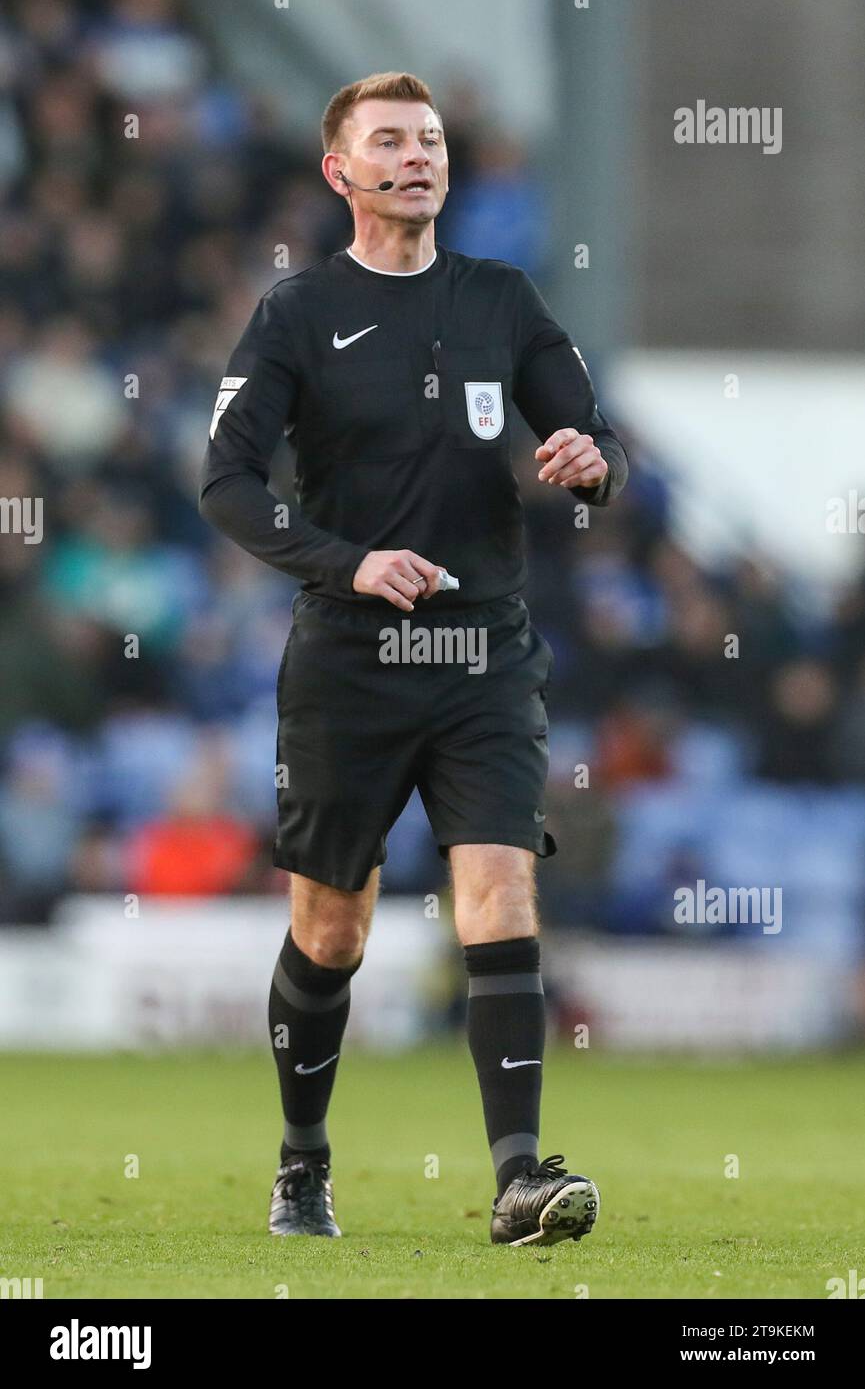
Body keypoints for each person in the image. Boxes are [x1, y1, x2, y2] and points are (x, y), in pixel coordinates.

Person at [198, 71, 628, 1247]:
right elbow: (226, 482)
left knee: (498, 878)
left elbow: (594, 441)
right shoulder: (295, 313)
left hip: (484, 651)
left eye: (430, 140)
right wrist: (345, 562)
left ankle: (519, 1177)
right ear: (340, 171)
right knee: (334, 927)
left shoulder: (501, 298)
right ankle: (301, 1160)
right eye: (388, 140)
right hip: (349, 660)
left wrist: (590, 466)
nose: (416, 156)